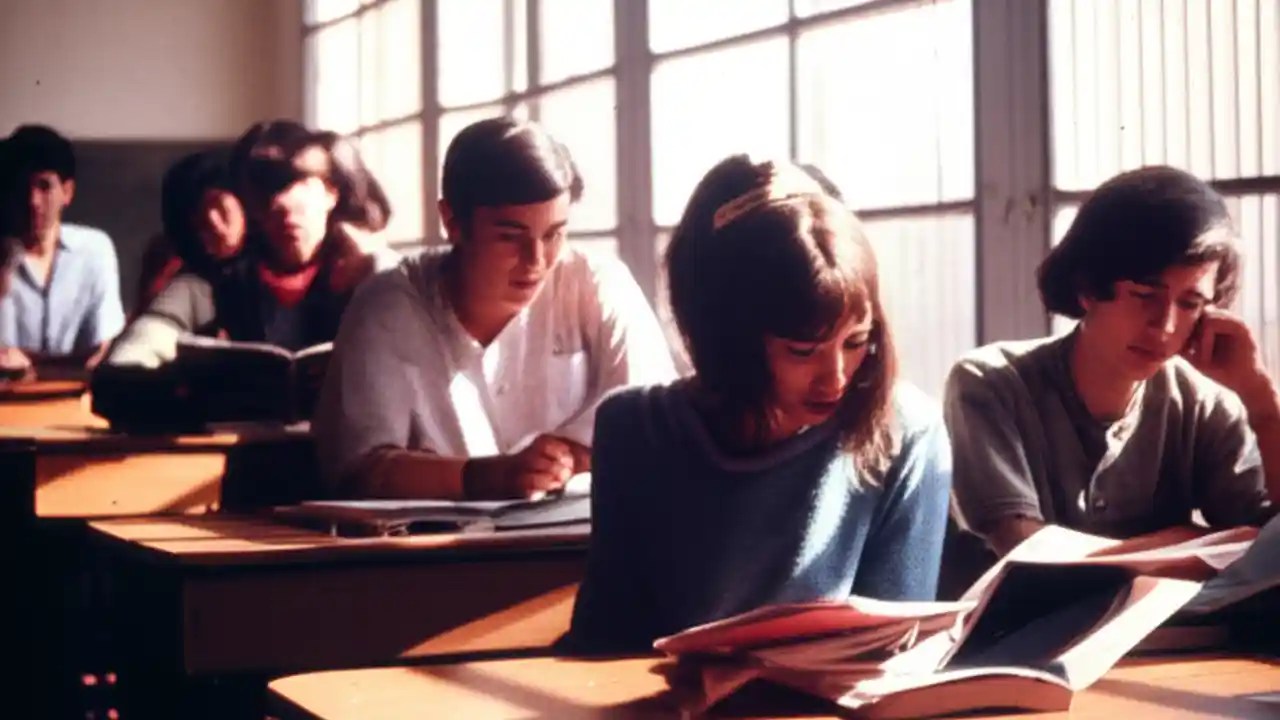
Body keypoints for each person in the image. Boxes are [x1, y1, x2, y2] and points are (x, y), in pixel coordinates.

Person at [564, 156, 952, 655]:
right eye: (802, 350)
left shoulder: (909, 431)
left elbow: (897, 648)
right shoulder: (635, 429)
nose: (835, 376)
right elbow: (605, 640)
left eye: (857, 341)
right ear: (734, 337)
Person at [314, 117, 677, 500]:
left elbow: (655, 419)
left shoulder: (595, 280)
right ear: (452, 222)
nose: (536, 260)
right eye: (510, 237)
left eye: (554, 234)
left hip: (578, 544)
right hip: (438, 553)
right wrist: (489, 477)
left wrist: (560, 459)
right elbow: (358, 467)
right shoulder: (387, 306)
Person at [946, 166, 1279, 559]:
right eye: (1143, 295)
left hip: (1171, 622)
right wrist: (1186, 541)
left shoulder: (1204, 405)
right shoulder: (989, 383)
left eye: (1190, 303)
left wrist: (1261, 399)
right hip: (1021, 621)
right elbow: (1024, 550)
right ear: (1088, 286)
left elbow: (1266, 542)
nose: (1165, 326)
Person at [99, 120, 395, 369]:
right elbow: (131, 360)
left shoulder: (367, 271)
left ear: (332, 191)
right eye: (264, 189)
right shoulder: (208, 285)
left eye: (296, 181)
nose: (281, 202)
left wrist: (375, 267)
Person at [0, 125, 125, 375]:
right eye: (22, 187)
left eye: (44, 186)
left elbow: (101, 350)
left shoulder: (94, 250)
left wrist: (29, 361)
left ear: (67, 192)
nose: (33, 201)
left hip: (76, 395)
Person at [134, 149, 246, 312]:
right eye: (201, 222)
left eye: (221, 209)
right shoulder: (169, 258)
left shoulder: (268, 260)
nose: (215, 225)